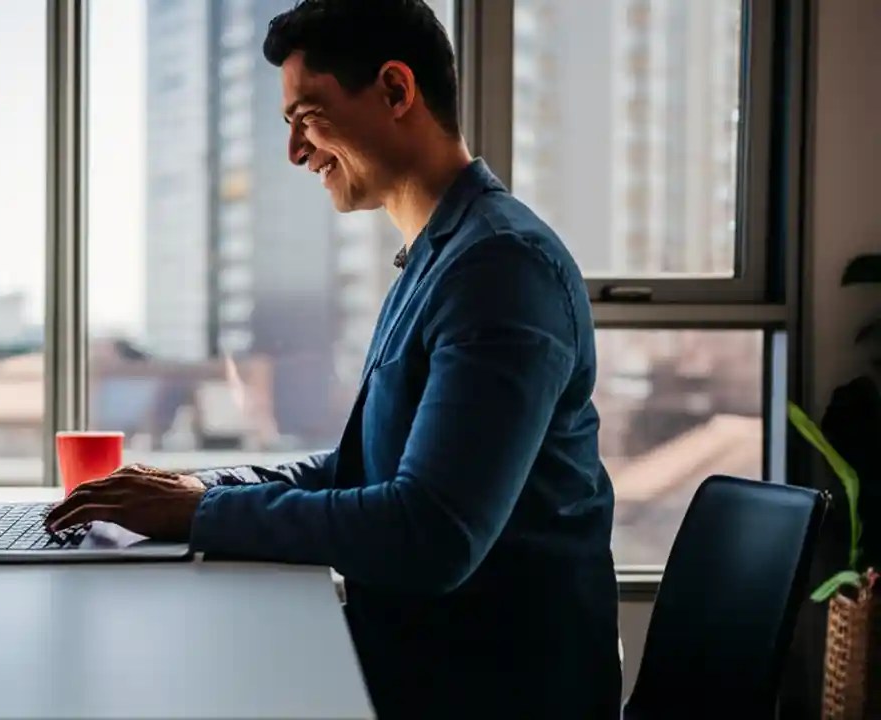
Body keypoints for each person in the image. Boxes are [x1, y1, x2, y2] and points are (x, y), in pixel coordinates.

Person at [47, 0, 622, 715]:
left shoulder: (499, 266)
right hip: (419, 664)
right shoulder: (441, 258)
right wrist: (196, 490)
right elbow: (360, 469)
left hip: (486, 690)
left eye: (305, 115)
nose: (294, 150)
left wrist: (200, 514)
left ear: (394, 90)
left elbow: (431, 534)